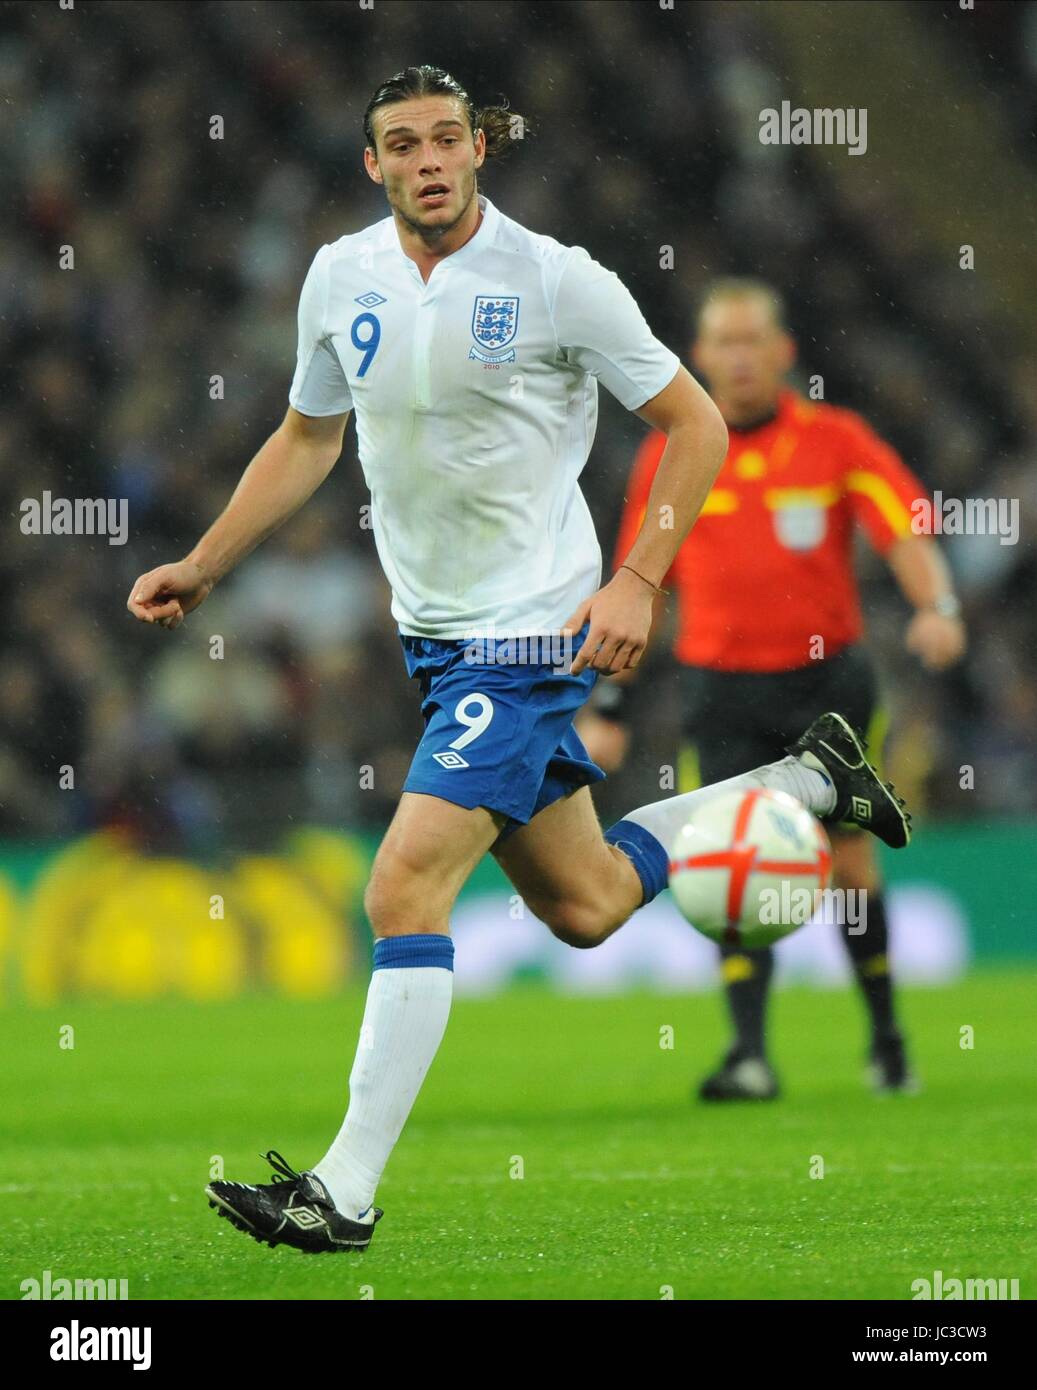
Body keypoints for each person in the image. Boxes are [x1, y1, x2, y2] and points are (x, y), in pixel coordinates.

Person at [126, 70, 911, 1254]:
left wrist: (636, 578)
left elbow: (692, 423)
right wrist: (205, 561)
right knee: (587, 906)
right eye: (404, 144)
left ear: (480, 149)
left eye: (448, 138)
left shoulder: (556, 279)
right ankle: (808, 780)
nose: (429, 159)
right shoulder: (342, 280)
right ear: (372, 165)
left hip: (530, 636)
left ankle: (343, 1191)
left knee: (401, 887)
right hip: (437, 643)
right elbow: (306, 434)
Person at [580, 278, 965, 1103]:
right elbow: (639, 584)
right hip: (719, 690)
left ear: (784, 352)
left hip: (826, 686)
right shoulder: (674, 452)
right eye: (725, 341)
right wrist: (608, 706)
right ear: (701, 356)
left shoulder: (835, 440)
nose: (741, 356)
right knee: (722, 861)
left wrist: (935, 604)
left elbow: (903, 524)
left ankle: (887, 1042)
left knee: (848, 859)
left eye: (754, 340)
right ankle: (749, 1056)